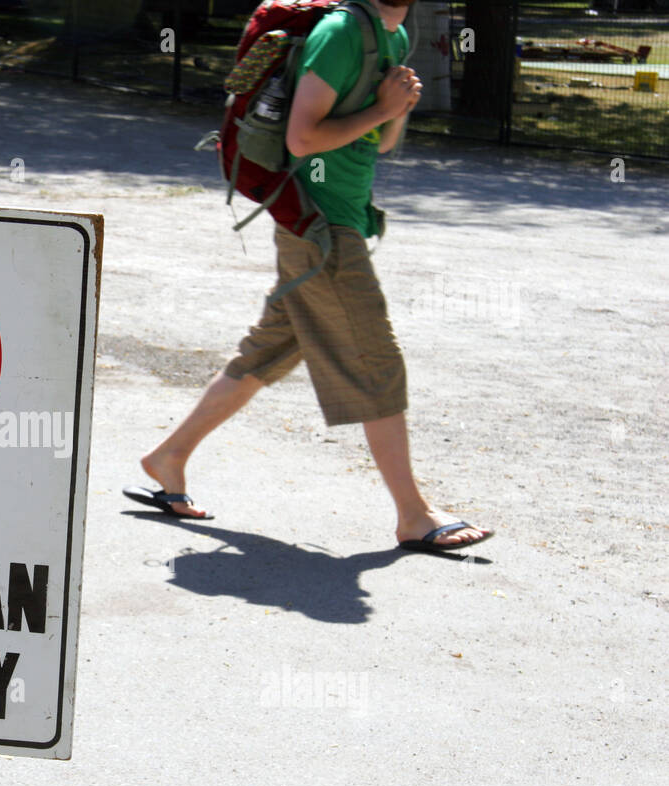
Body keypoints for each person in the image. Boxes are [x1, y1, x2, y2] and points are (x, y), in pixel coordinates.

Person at [127, 0, 492, 554]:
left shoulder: (391, 35)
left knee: (270, 349)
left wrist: (397, 107)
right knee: (374, 357)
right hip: (318, 226)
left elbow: (383, 143)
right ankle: (414, 515)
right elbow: (302, 140)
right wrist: (381, 110)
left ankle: (168, 458)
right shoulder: (343, 32)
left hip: (338, 217)